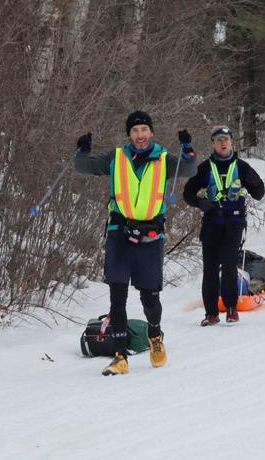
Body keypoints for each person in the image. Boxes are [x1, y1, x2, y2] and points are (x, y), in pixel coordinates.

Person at [74, 111, 197, 376]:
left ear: (151, 133)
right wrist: (82, 151)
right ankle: (120, 356)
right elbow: (82, 166)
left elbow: (189, 168)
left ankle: (155, 335)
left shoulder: (164, 160)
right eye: (135, 131)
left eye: (144, 130)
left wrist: (188, 148)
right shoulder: (116, 158)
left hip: (150, 238)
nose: (140, 135)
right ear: (129, 135)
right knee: (117, 297)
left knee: (149, 299)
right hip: (119, 233)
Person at [183, 125, 265, 325]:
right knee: (210, 268)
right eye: (218, 140)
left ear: (231, 142)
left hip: (234, 223)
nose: (222, 143)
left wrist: (254, 183)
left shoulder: (241, 166)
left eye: (225, 139)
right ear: (213, 143)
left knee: (229, 266)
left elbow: (259, 192)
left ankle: (231, 309)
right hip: (212, 223)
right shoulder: (204, 168)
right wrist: (201, 203)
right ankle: (211, 314)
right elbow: (188, 193)